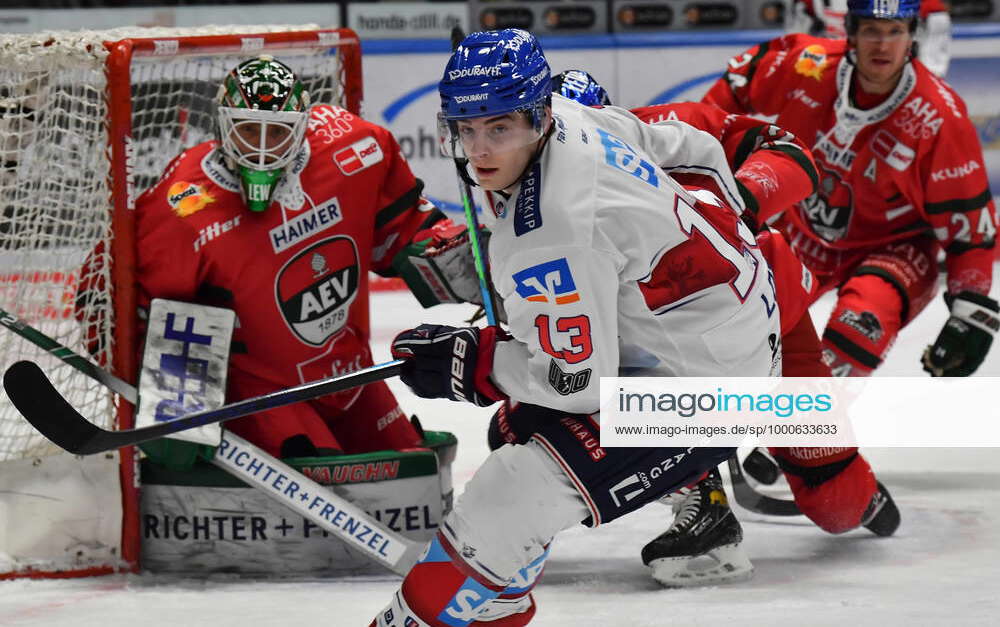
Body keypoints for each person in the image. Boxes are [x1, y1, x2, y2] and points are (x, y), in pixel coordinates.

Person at [372, 29, 780, 626]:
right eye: (467, 128)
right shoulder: (573, 117)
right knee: (516, 426)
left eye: (499, 128)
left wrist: (474, 362)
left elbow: (577, 387)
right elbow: (692, 148)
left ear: (537, 117)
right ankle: (498, 606)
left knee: (513, 491)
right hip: (730, 337)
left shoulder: (555, 227)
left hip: (714, 393)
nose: (480, 150)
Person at [551, 69, 900, 588]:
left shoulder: (675, 128)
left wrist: (737, 200)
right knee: (546, 409)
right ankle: (700, 492)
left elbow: (788, 150)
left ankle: (857, 491)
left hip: (768, 317)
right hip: (661, 347)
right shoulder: (536, 191)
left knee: (836, 502)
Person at [83, 55, 481, 469]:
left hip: (350, 376)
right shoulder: (184, 206)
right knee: (321, 480)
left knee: (415, 469)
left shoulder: (354, 146)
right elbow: (105, 297)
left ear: (303, 127)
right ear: (222, 126)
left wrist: (446, 251)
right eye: (248, 129)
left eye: (276, 133)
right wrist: (172, 394)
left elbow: (399, 227)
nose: (260, 148)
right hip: (263, 395)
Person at [704, 0, 997, 381]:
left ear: (912, 37)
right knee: (736, 325)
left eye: (895, 32)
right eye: (872, 30)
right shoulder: (808, 63)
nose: (883, 45)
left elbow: (970, 227)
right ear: (852, 33)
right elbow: (730, 91)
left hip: (894, 247)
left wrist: (970, 313)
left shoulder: (940, 117)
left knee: (857, 332)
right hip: (804, 229)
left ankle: (802, 438)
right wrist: (696, 154)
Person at [785, 0, 952, 76]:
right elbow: (797, 44)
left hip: (891, 84)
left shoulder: (928, 8)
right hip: (829, 77)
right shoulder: (808, 4)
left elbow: (933, 67)